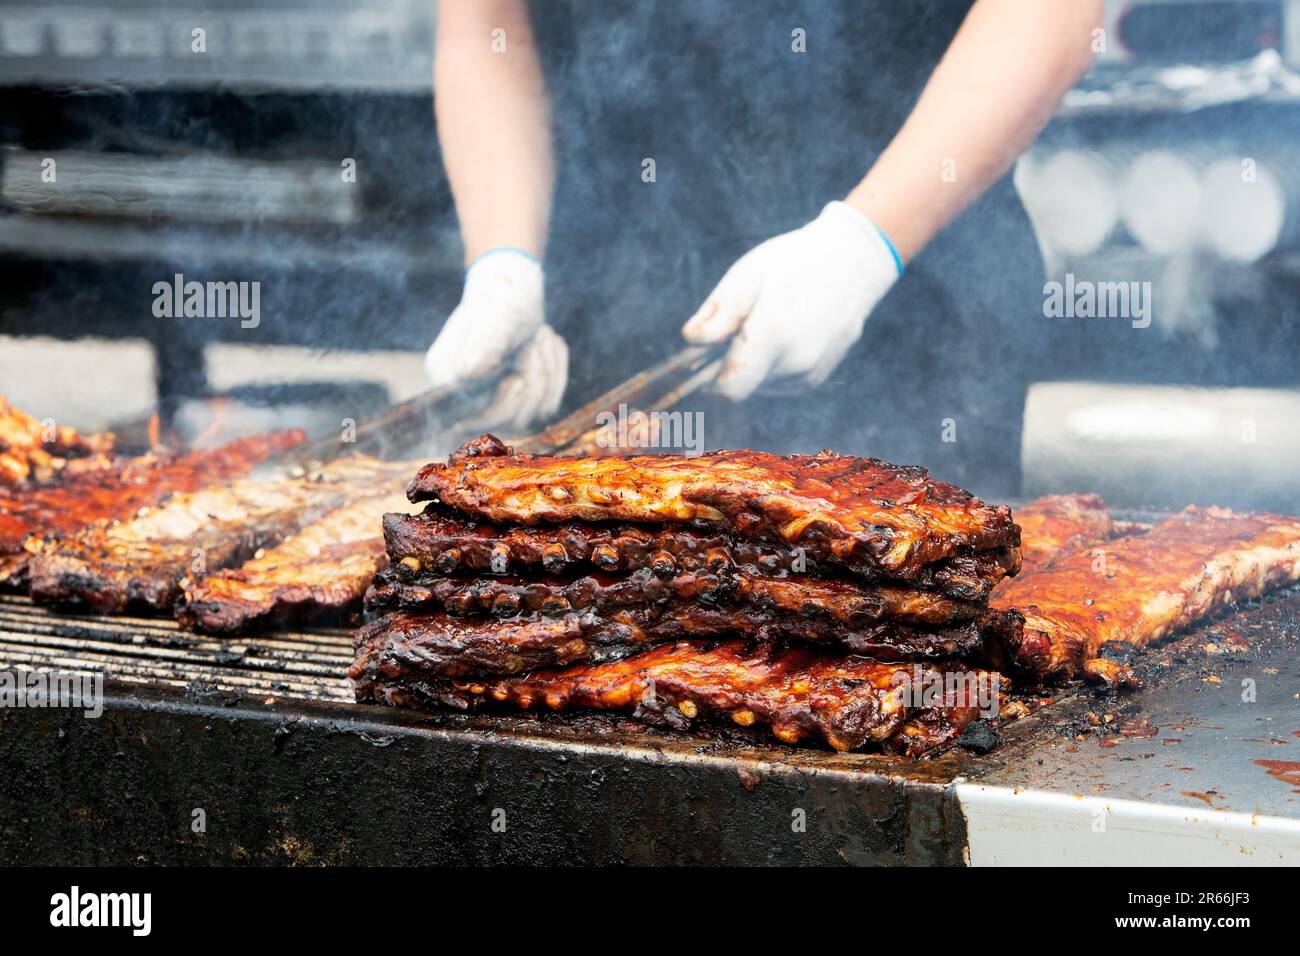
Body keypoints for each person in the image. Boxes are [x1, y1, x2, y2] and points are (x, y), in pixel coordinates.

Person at [425, 0, 1104, 497]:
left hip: (916, 297)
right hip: (615, 300)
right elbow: (485, 28)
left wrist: (864, 244)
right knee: (600, 617)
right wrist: (503, 264)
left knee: (905, 628)